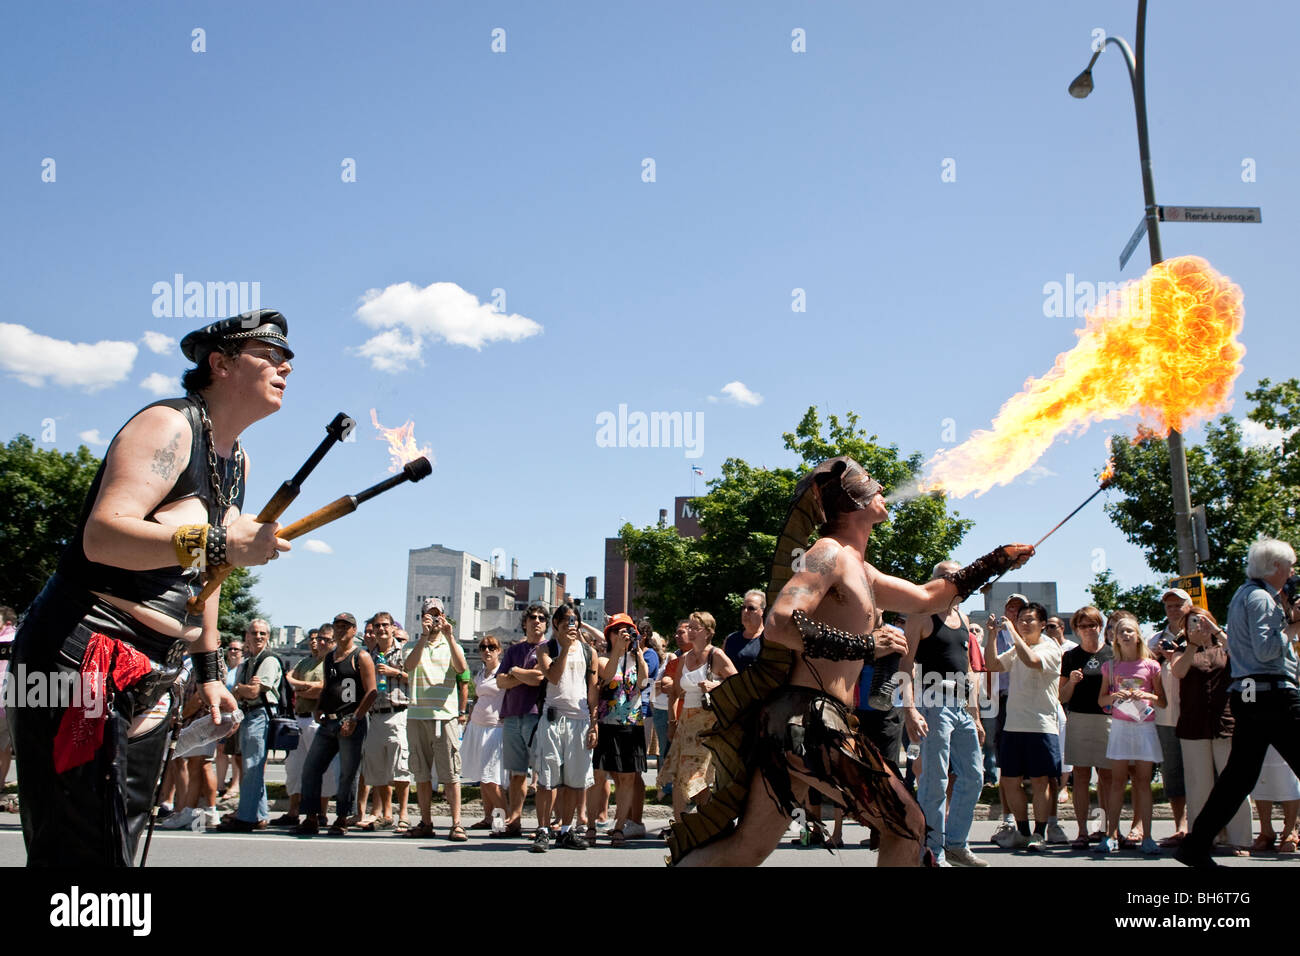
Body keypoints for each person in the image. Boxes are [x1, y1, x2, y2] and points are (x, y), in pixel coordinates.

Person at [8, 311, 293, 865]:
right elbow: (104, 535)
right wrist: (217, 542)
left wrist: (210, 672)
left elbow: (206, 583)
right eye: (269, 354)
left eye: (288, 358)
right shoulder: (169, 425)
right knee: (78, 841)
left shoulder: (237, 461)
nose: (284, 365)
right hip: (80, 648)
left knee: (124, 833)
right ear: (222, 363)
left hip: (153, 662)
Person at [670, 457, 1033, 866]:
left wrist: (995, 561)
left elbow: (931, 597)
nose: (881, 489)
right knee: (908, 823)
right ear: (851, 501)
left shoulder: (861, 568)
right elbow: (779, 623)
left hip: (815, 720)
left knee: (747, 849)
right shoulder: (827, 552)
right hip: (806, 720)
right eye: (870, 483)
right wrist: (863, 644)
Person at [1177, 539, 1300, 867]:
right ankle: (1196, 844)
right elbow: (1266, 650)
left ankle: (1196, 844)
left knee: (1238, 777)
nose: (1292, 572)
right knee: (1239, 776)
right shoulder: (1261, 598)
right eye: (1289, 565)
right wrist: (1294, 626)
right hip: (1272, 693)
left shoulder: (1243, 595)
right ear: (1275, 567)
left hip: (1248, 693)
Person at [900, 560, 988, 867]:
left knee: (975, 776)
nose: (952, 580)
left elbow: (968, 672)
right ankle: (931, 852)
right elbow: (905, 665)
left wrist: (975, 716)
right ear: (934, 581)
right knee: (934, 781)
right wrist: (910, 710)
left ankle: (955, 844)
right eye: (945, 576)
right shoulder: (921, 615)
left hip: (961, 706)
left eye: (956, 576)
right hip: (931, 703)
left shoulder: (963, 618)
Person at [1170, 607, 1251, 855]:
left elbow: (1242, 655)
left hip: (1225, 723)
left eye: (1202, 620)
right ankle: (1203, 837)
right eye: (1192, 622)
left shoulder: (1225, 649)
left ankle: (1241, 838)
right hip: (1193, 724)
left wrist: (1216, 631)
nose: (1198, 625)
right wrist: (1192, 644)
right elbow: (1178, 671)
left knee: (1234, 782)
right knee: (1198, 784)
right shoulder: (1182, 651)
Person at [985, 601, 1064, 851]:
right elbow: (993, 665)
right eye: (1021, 620)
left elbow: (1031, 661)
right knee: (1009, 781)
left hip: (1041, 725)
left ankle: (1039, 834)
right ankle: (1022, 831)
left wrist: (1011, 633)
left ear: (1043, 624)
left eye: (1030, 619)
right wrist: (992, 636)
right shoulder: (1020, 647)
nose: (1024, 623)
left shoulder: (1049, 647)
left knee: (1040, 782)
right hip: (1013, 725)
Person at [294, 613, 376, 836]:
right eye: (337, 626)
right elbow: (329, 686)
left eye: (345, 627)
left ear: (353, 630)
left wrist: (356, 718)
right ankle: (312, 816)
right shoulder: (330, 658)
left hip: (351, 720)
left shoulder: (361, 657)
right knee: (311, 768)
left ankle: (342, 818)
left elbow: (372, 692)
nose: (341, 630)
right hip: (328, 721)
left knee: (348, 773)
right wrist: (319, 706)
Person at [1095, 610, 1164, 856]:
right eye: (1120, 631)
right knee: (1116, 783)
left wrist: (1147, 695)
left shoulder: (1151, 665)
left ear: (1138, 636)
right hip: (1121, 727)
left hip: (1144, 726)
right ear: (1115, 639)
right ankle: (1110, 835)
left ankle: (1148, 837)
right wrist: (1114, 697)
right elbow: (1101, 699)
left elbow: (1162, 701)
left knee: (1143, 782)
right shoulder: (1110, 667)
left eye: (1129, 630)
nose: (1125, 634)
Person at [401, 597, 470, 841]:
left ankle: (456, 823)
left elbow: (462, 669)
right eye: (430, 615)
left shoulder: (453, 644)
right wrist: (423, 635)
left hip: (445, 716)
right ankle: (426, 821)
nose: (434, 619)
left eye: (438, 614)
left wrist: (449, 636)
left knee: (451, 773)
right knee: (420, 773)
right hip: (418, 715)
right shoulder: (412, 645)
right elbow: (409, 666)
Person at [532, 603, 599, 852]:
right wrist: (566, 648)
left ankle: (566, 830)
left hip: (580, 721)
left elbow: (593, 690)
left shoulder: (588, 652)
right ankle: (542, 829)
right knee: (547, 780)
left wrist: (594, 724)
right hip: (552, 719)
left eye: (574, 621)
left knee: (574, 780)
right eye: (566, 622)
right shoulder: (545, 649)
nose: (571, 626)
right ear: (556, 625)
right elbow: (553, 676)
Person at [668, 612, 737, 826]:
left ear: (708, 632)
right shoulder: (684, 659)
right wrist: (670, 688)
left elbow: (737, 682)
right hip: (687, 723)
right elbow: (678, 691)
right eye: (688, 627)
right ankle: (680, 825)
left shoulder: (716, 655)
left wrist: (716, 686)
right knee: (680, 776)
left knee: (699, 777)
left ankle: (707, 823)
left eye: (694, 627)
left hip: (708, 722)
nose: (689, 631)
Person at [217, 618, 282, 832]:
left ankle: (246, 817)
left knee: (252, 767)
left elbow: (253, 692)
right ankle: (260, 815)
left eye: (263, 633)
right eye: (255, 633)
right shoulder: (249, 661)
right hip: (248, 714)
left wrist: (239, 687)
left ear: (268, 637)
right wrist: (242, 687)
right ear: (247, 636)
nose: (259, 636)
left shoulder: (269, 660)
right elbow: (244, 689)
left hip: (260, 714)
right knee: (250, 767)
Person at [592, 613, 649, 846]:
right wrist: (619, 650)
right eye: (618, 631)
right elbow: (607, 675)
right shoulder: (604, 659)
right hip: (608, 725)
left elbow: (643, 682)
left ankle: (619, 826)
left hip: (632, 725)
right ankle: (592, 824)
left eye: (628, 630)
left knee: (627, 779)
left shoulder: (637, 658)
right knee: (599, 776)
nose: (623, 634)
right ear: (610, 635)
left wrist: (638, 653)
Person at [1059, 605, 1113, 847]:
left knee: (1107, 776)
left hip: (1108, 719)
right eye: (1083, 626)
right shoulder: (1070, 657)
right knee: (1080, 776)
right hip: (1079, 718)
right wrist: (1071, 682)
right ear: (1076, 630)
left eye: (1092, 624)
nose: (1089, 629)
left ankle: (1106, 829)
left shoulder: (1113, 653)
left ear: (1100, 626)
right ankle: (1082, 831)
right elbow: (1062, 697)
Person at [277, 624, 338, 828]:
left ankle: (321, 812)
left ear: (334, 642)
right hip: (299, 718)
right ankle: (293, 811)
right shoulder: (305, 661)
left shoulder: (333, 663)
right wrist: (305, 687)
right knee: (295, 767)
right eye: (319, 638)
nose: (320, 642)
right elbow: (290, 679)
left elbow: (322, 690)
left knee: (321, 768)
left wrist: (303, 688)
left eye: (326, 639)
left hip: (317, 720)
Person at [357, 611, 410, 830]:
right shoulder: (369, 655)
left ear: (392, 627)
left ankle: (404, 814)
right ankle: (386, 813)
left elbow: (416, 678)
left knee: (400, 767)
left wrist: (393, 672)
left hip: (398, 712)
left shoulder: (404, 652)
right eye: (377, 626)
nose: (381, 629)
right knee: (378, 768)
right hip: (376, 714)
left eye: (385, 625)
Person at [1150, 587, 1191, 847]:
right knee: (1173, 773)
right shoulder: (1155, 639)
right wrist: (1158, 656)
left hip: (1195, 714)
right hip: (1165, 716)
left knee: (1201, 773)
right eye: (1169, 606)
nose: (1173, 610)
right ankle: (1180, 826)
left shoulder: (1201, 634)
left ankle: (1205, 826)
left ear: (1188, 606)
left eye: (1178, 605)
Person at [986, 592, 1028, 845]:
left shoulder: (1034, 636)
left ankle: (1046, 824)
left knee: (1039, 770)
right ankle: (1008, 819)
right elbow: (992, 666)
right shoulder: (997, 635)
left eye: (1019, 609)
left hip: (1032, 703)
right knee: (1006, 763)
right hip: (1004, 700)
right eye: (1011, 608)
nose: (1015, 613)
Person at [462, 636, 509, 829]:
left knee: (491, 779)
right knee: (483, 777)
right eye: (483, 647)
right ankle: (488, 817)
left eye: (492, 647)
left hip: (496, 728)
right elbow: (477, 696)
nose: (487, 651)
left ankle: (502, 821)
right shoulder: (481, 673)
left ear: (499, 650)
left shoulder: (503, 672)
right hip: (477, 726)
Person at [217, 639, 244, 801]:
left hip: (236, 714)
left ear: (242, 652)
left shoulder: (242, 668)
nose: (233, 652)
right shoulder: (223, 669)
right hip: (221, 714)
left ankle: (235, 784)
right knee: (220, 750)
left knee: (234, 751)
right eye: (231, 649)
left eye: (237, 649)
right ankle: (220, 784)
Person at [722, 590, 766, 675]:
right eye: (743, 608)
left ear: (763, 611)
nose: (745, 611)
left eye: (751, 608)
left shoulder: (769, 639)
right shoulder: (731, 639)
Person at [0, 606, 15, 790]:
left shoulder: (8, 639)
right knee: (4, 747)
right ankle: (1, 784)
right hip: (11, 701)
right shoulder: (19, 638)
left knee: (3, 747)